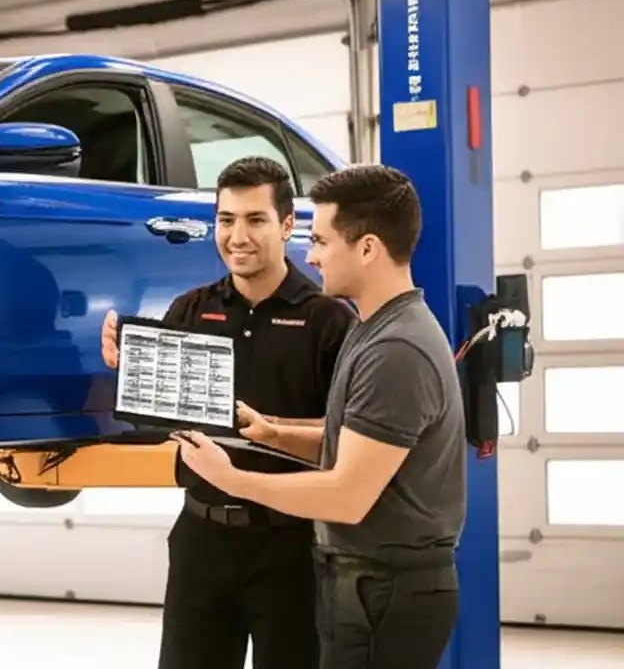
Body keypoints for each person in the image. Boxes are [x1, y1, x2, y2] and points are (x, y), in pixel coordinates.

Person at [173, 164, 467, 669]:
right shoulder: (373, 330)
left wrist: (233, 479)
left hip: (384, 586)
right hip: (361, 580)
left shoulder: (395, 348)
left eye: (323, 241)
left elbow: (347, 495)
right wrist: (276, 434)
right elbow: (348, 443)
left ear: (368, 248)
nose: (310, 255)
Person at [100, 156, 355, 669]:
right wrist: (133, 368)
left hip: (291, 548)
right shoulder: (188, 311)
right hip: (201, 539)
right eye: (226, 220)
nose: (238, 236)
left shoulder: (328, 321)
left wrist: (275, 431)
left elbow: (349, 437)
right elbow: (161, 424)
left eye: (255, 220)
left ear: (287, 225)